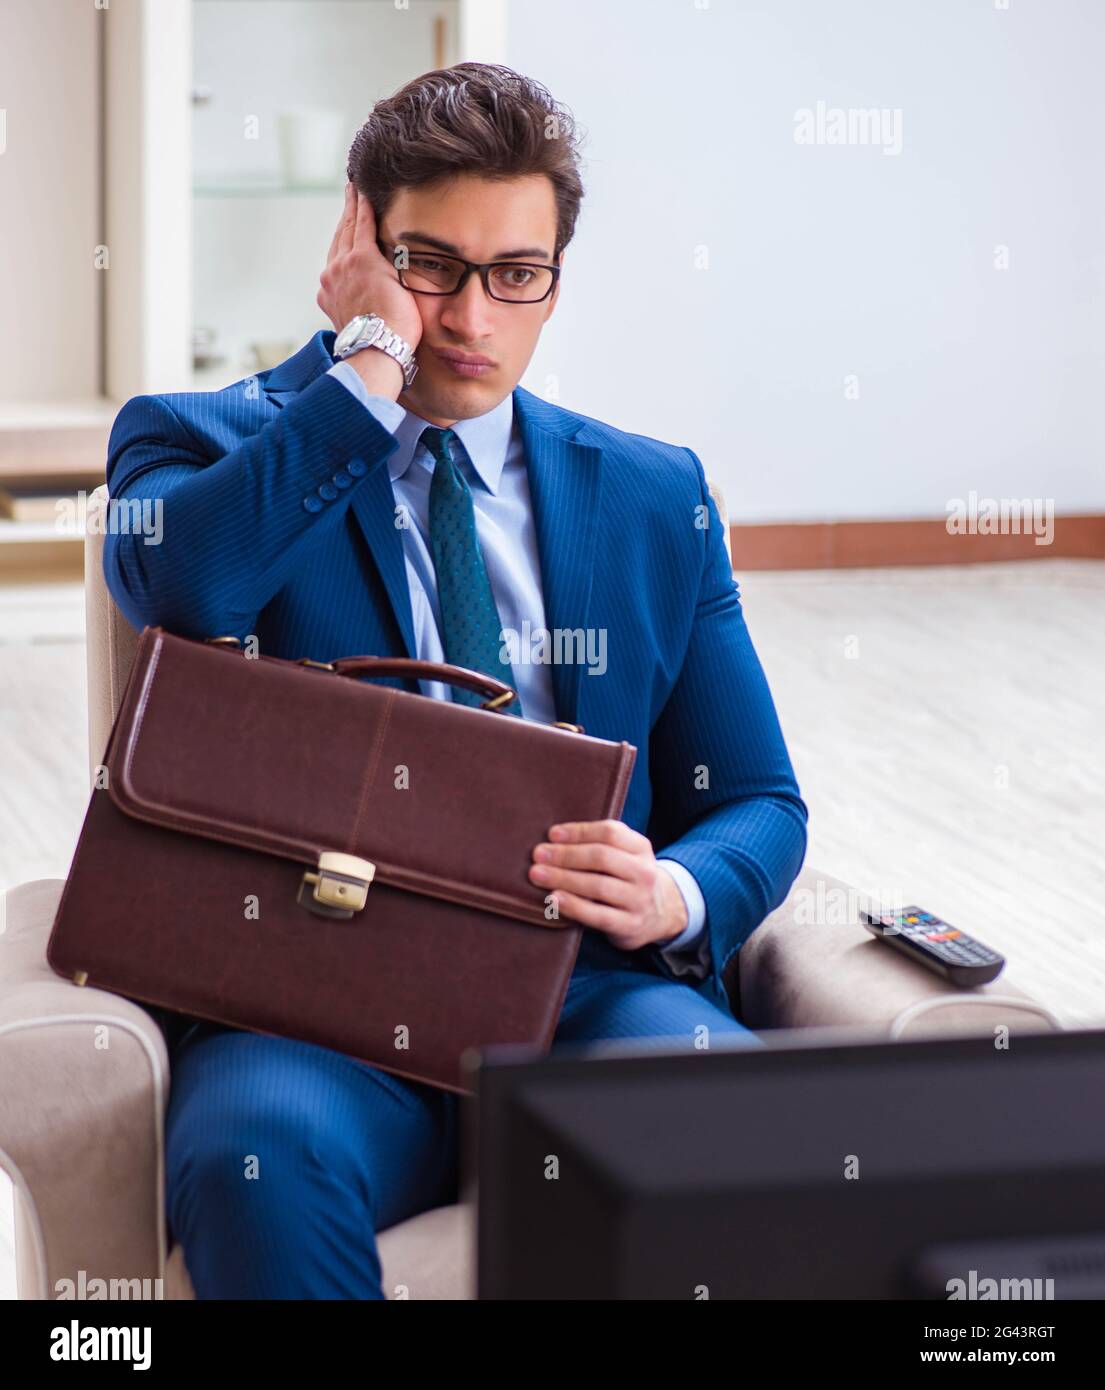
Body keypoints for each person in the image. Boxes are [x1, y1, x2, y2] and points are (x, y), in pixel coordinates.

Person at [103, 62, 808, 1299]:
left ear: (553, 280)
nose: (473, 320)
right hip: (303, 1002)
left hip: (582, 989)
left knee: (724, 1120)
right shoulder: (196, 440)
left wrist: (676, 892)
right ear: (355, 244)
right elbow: (188, 589)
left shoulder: (653, 495)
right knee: (249, 1159)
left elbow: (759, 799)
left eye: (516, 276)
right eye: (430, 266)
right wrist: (365, 372)